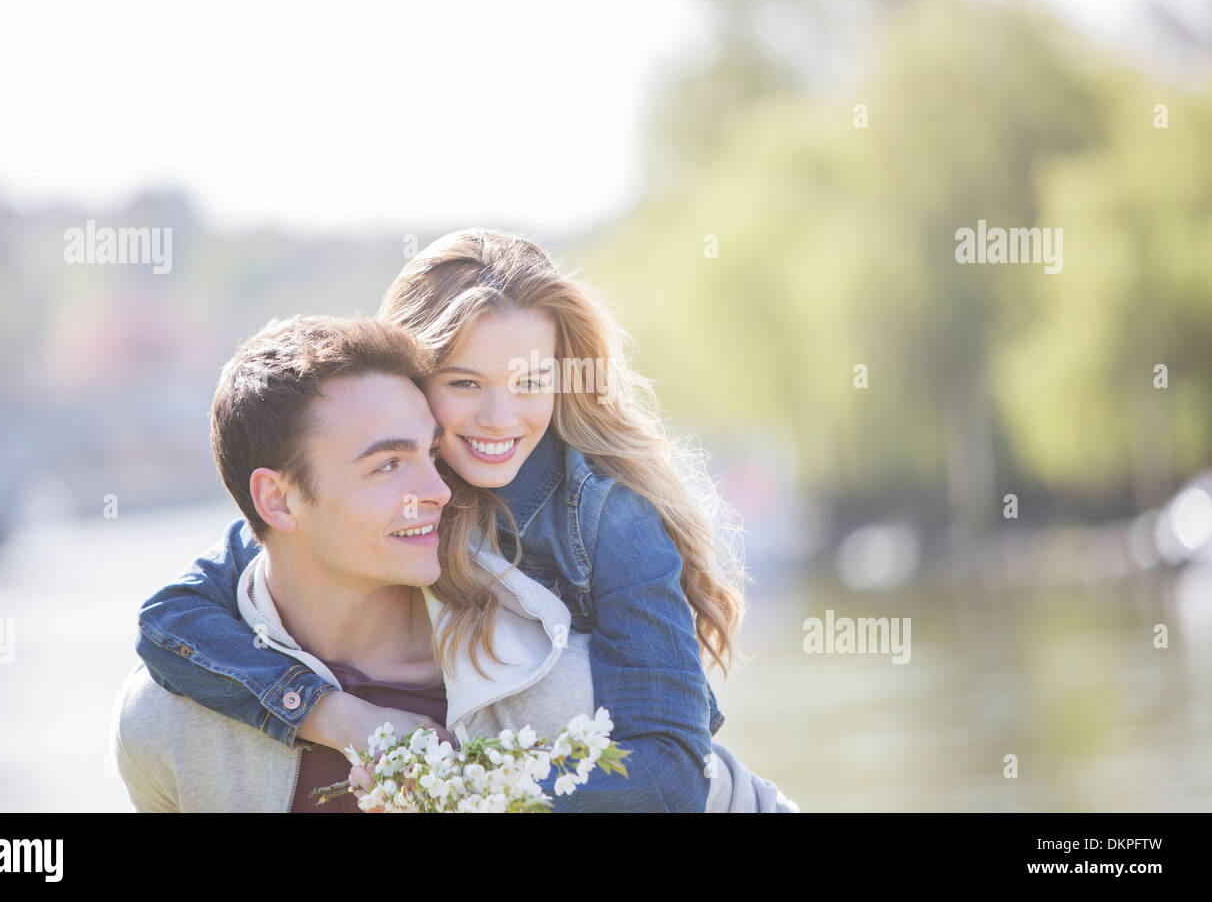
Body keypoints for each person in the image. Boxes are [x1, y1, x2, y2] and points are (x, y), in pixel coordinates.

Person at [135, 229, 789, 812]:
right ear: (413, 382)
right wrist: (332, 716)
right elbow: (171, 624)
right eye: (467, 384)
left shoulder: (609, 519)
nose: (501, 421)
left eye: (530, 383)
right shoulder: (388, 484)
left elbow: (671, 774)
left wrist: (457, 794)